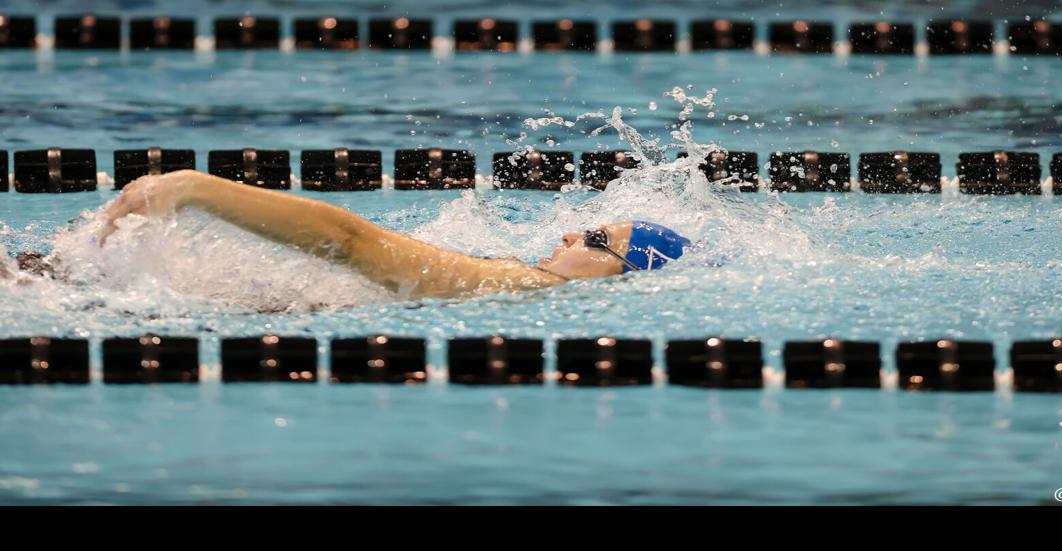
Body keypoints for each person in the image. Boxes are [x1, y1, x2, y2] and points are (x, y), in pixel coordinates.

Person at [94, 170, 691, 299]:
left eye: (593, 236)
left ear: (619, 270)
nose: (568, 235)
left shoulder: (524, 286)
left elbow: (352, 242)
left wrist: (196, 189)